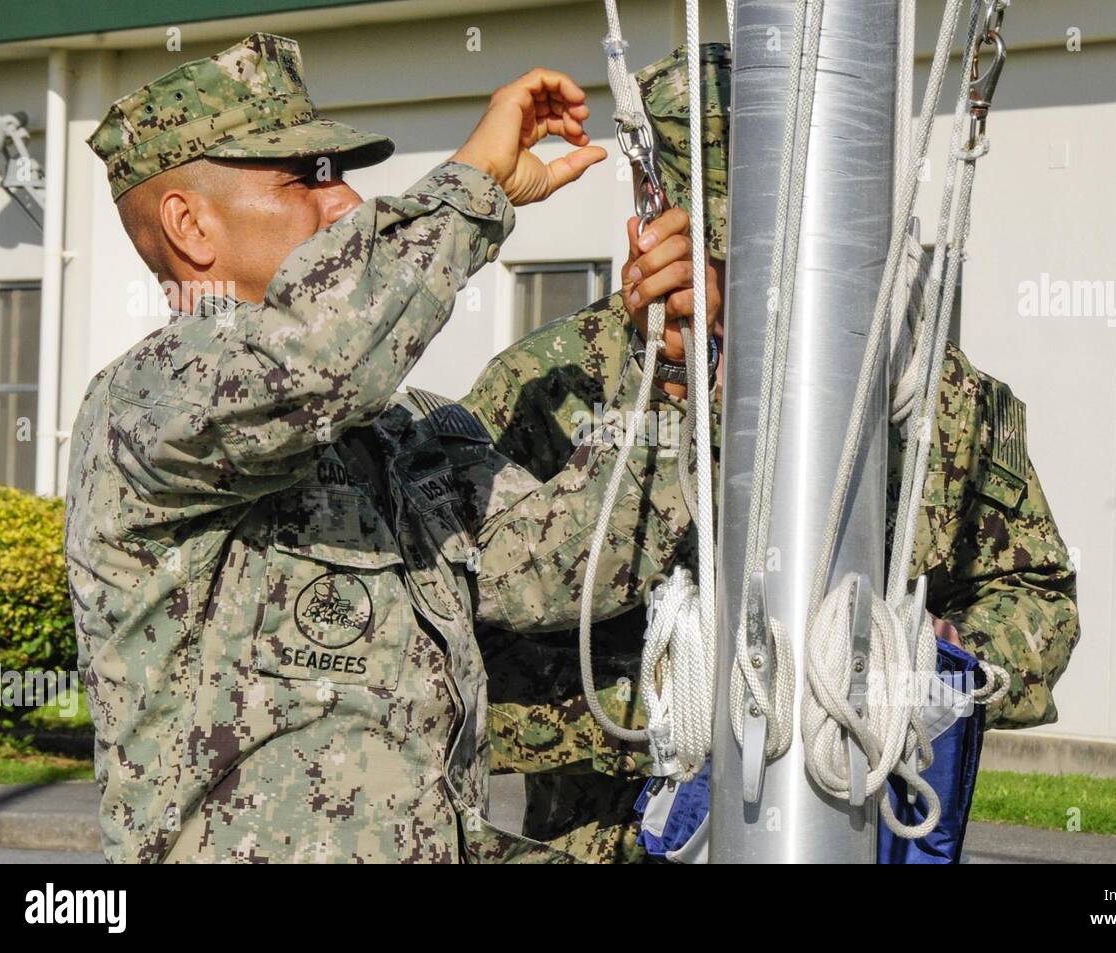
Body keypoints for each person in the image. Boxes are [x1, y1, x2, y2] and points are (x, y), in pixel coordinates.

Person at [65, 32, 699, 864]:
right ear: (190, 225)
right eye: (306, 181)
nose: (347, 205)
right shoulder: (144, 404)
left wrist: (677, 374)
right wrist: (472, 190)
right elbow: (321, 358)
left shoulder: (386, 439)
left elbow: (561, 561)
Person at [464, 43, 1080, 863]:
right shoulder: (554, 388)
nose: (751, 283)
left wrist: (920, 666)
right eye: (725, 253)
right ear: (652, 227)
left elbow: (1039, 600)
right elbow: (456, 614)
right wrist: (676, 696)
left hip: (852, 832)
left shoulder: (934, 395)